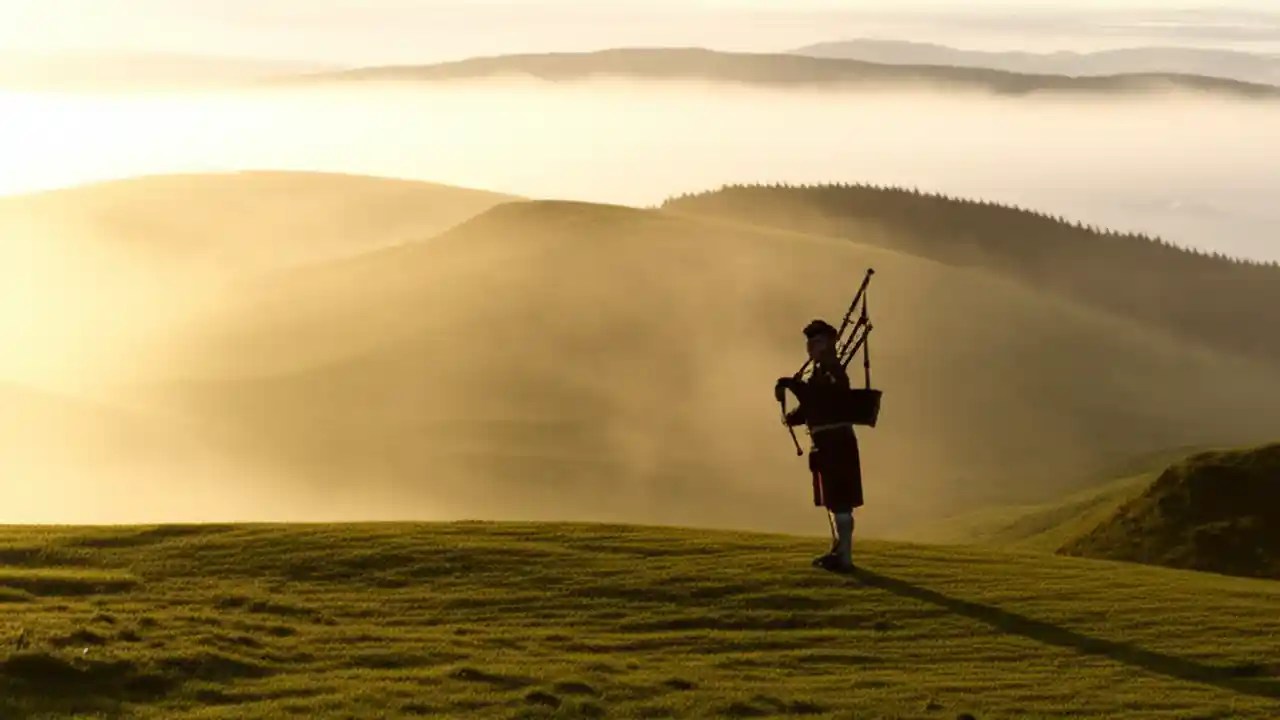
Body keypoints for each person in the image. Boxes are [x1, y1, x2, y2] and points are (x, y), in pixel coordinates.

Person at [776, 319, 864, 573]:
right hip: (826, 442)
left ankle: (844, 556)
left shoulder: (832, 369)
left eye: (816, 342)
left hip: (837, 442)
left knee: (840, 500)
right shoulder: (820, 372)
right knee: (832, 499)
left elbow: (820, 399)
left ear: (827, 344)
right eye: (810, 343)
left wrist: (792, 385)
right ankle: (838, 551)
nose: (810, 348)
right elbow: (813, 406)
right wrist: (792, 417)